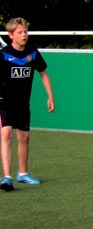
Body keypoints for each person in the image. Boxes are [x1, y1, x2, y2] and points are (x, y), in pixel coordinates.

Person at [0, 18, 55, 192]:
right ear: (11, 35)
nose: (24, 35)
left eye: (25, 32)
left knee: (24, 137)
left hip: (23, 103)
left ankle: (23, 174)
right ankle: (7, 177)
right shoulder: (3, 54)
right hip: (4, 101)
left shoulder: (32, 53)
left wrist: (50, 97)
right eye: (20, 32)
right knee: (6, 134)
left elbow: (43, 74)